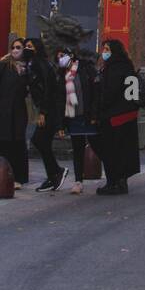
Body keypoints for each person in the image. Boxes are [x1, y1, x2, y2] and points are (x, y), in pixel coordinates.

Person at [93, 40, 141, 196]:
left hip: (113, 118)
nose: (104, 52)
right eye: (103, 49)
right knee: (122, 151)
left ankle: (113, 182)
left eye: (107, 49)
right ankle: (120, 182)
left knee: (109, 150)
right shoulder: (127, 67)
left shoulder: (113, 70)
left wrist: (98, 111)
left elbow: (108, 94)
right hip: (128, 117)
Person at [55, 46, 98, 196]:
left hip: (88, 116)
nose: (60, 59)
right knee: (78, 149)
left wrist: (94, 114)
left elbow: (95, 91)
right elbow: (60, 100)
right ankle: (78, 181)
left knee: (98, 146)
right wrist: (61, 124)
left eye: (63, 55)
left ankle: (114, 175)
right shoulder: (62, 75)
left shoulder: (85, 69)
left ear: (71, 56)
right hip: (73, 117)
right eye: (58, 57)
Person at [28, 38, 68, 192]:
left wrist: (43, 112)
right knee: (41, 141)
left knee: (38, 140)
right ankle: (54, 174)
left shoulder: (41, 64)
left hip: (50, 110)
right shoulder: (33, 64)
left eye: (30, 46)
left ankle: (56, 172)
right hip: (48, 109)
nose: (27, 49)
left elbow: (48, 90)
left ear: (37, 48)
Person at [0, 37, 30, 187]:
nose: (15, 50)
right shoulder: (4, 65)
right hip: (3, 110)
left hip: (18, 111)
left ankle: (19, 177)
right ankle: (3, 176)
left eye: (19, 47)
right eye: (13, 47)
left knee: (18, 143)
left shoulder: (28, 69)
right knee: (4, 143)